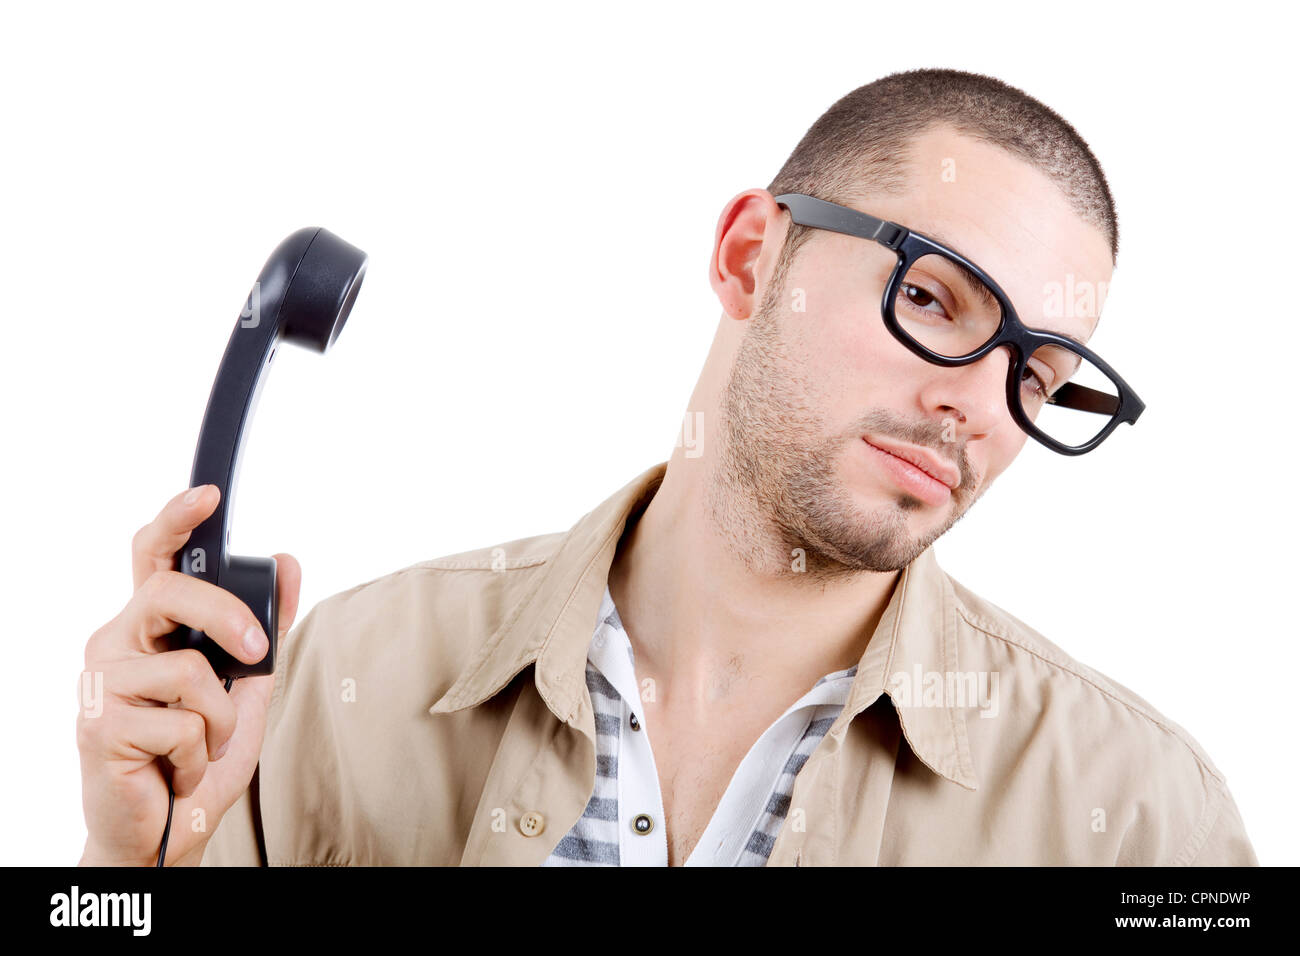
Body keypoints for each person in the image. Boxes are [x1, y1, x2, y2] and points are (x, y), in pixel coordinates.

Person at [77, 67, 1258, 866]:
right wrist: (127, 870)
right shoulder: (341, 684)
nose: (977, 404)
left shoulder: (1146, 819)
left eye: (1037, 376)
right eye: (932, 299)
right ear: (752, 256)